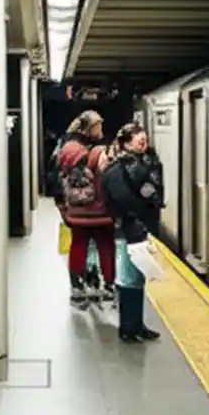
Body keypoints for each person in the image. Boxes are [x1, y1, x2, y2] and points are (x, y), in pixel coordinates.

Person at [102, 121, 164, 343]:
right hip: (126, 230)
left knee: (138, 278)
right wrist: (141, 211)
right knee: (129, 279)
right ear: (126, 143)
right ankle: (128, 328)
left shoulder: (143, 163)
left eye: (144, 137)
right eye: (138, 137)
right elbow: (121, 200)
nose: (143, 140)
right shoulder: (116, 170)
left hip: (139, 230)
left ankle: (138, 324)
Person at [56, 110, 115, 305]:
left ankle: (77, 287)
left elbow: (57, 176)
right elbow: (109, 178)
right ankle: (108, 285)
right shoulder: (99, 152)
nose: (101, 129)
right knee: (105, 246)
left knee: (78, 245)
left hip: (77, 210)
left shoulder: (67, 148)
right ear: (90, 128)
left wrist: (62, 206)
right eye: (98, 126)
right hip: (100, 209)